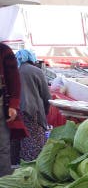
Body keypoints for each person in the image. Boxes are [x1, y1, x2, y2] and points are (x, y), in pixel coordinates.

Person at [15, 49, 51, 162]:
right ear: (31, 58)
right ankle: (30, 166)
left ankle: (15, 166)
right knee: (33, 140)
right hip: (30, 110)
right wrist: (45, 112)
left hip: (13, 110)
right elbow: (46, 96)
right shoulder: (36, 71)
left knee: (16, 139)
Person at [0, 42, 21, 176]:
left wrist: (13, 105)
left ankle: (4, 185)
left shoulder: (3, 51)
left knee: (3, 147)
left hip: (1, 105)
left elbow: (14, 79)